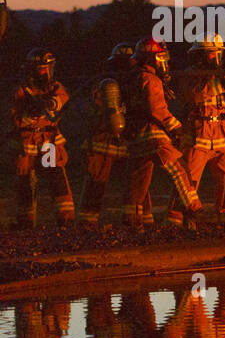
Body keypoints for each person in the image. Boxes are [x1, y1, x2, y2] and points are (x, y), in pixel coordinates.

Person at [124, 38, 201, 229]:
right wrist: (176, 127)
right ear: (151, 59)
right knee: (178, 169)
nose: (164, 63)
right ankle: (192, 207)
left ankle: (133, 222)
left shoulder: (133, 78)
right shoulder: (151, 79)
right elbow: (157, 109)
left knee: (139, 181)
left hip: (137, 137)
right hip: (154, 134)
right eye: (160, 58)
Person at [169, 34, 225, 224]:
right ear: (201, 55)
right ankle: (175, 218)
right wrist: (216, 79)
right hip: (198, 137)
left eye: (219, 53)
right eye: (213, 54)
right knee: (189, 181)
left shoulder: (223, 74)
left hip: (222, 136)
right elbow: (195, 95)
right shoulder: (190, 75)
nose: (217, 58)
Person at [10, 49, 74, 228]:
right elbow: (14, 117)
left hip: (48, 141)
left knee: (55, 176)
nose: (47, 72)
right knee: (25, 181)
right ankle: (26, 222)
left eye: (48, 68)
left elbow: (63, 99)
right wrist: (29, 115)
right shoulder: (22, 90)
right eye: (43, 69)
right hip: (27, 142)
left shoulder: (54, 87)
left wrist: (52, 103)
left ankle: (66, 218)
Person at [80, 42, 141, 227]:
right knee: (136, 183)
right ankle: (136, 221)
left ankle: (87, 223)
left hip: (106, 139)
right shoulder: (135, 81)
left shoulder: (102, 83)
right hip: (119, 139)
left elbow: (91, 109)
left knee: (99, 183)